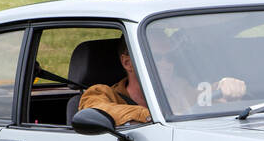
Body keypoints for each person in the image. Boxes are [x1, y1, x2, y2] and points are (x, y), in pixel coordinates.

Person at [77, 36, 245, 126]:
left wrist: (223, 86)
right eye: (156, 57)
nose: (166, 65)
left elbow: (200, 96)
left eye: (170, 58)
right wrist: (153, 117)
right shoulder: (102, 93)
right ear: (127, 63)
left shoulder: (176, 88)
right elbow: (99, 110)